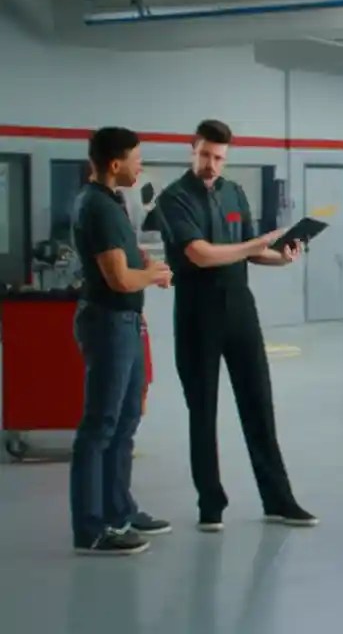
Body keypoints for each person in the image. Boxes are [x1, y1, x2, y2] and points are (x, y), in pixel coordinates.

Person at [155, 119, 317, 531]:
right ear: (193, 150)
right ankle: (211, 504)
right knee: (202, 409)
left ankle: (278, 499)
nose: (212, 164)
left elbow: (248, 252)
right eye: (206, 155)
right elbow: (201, 254)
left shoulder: (234, 193)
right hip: (197, 312)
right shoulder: (174, 199)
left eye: (220, 158)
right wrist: (257, 244)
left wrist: (281, 255)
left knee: (259, 403)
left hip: (239, 308)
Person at [70, 126, 174, 555]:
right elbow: (118, 278)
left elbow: (124, 262)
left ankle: (119, 511)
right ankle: (92, 528)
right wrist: (152, 273)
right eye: (136, 159)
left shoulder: (110, 201)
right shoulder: (99, 207)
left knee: (126, 421)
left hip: (125, 322)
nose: (140, 166)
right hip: (109, 322)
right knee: (101, 426)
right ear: (116, 165)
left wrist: (142, 262)